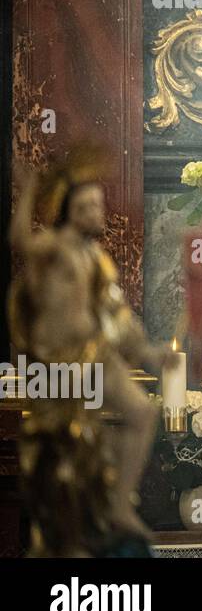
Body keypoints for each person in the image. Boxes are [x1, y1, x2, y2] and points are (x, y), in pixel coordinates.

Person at [9, 150, 172, 553]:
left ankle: (119, 507)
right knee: (75, 450)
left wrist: (150, 354)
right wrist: (29, 191)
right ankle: (70, 534)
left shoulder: (98, 261)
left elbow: (118, 317)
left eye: (98, 204)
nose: (97, 212)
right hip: (61, 364)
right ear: (71, 215)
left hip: (97, 355)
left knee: (141, 412)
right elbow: (19, 241)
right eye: (87, 207)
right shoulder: (57, 247)